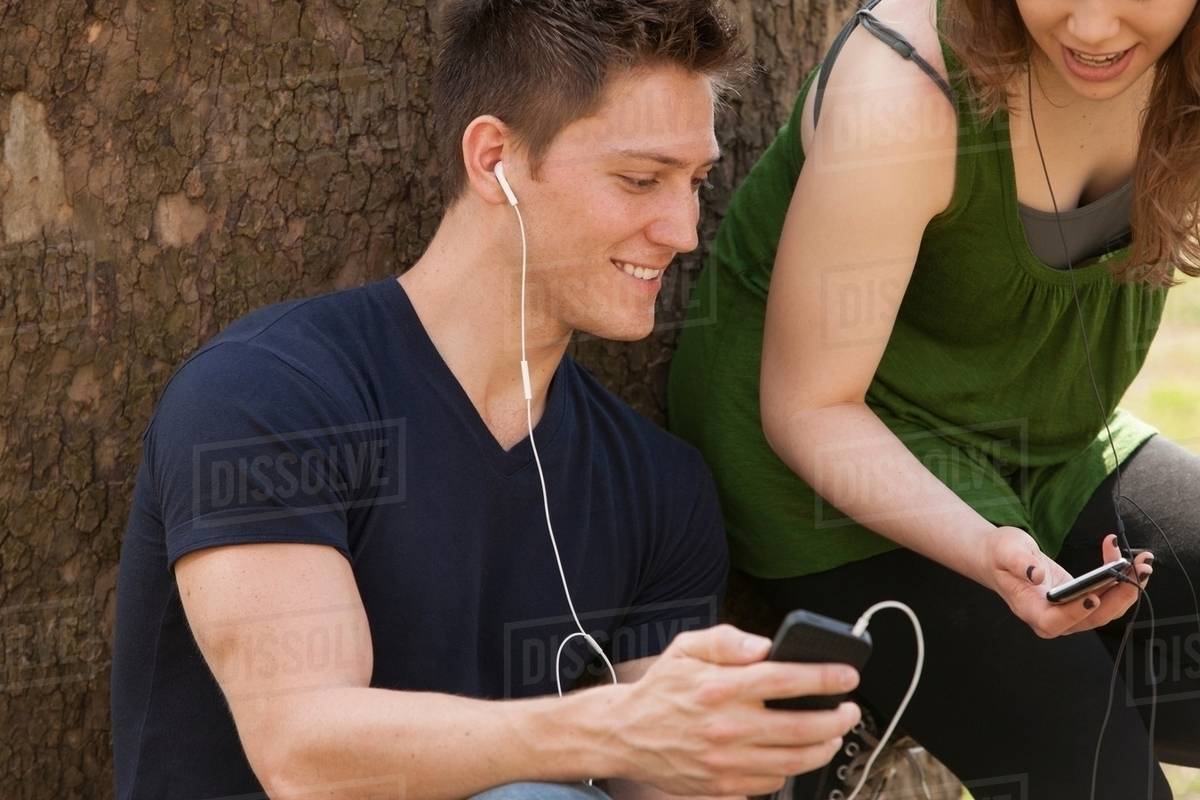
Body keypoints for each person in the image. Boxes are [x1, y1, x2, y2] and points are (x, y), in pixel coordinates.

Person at [109, 1, 867, 798]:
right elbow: (305, 754)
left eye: (695, 183)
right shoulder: (267, 395)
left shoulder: (658, 487)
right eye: (640, 179)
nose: (682, 229)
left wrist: (735, 747)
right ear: (494, 158)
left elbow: (661, 777)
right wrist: (612, 725)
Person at [667, 0, 1200, 797]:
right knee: (1104, 782)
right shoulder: (905, 89)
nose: (1090, 30)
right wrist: (987, 553)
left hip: (1044, 440)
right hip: (835, 467)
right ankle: (879, 705)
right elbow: (810, 407)